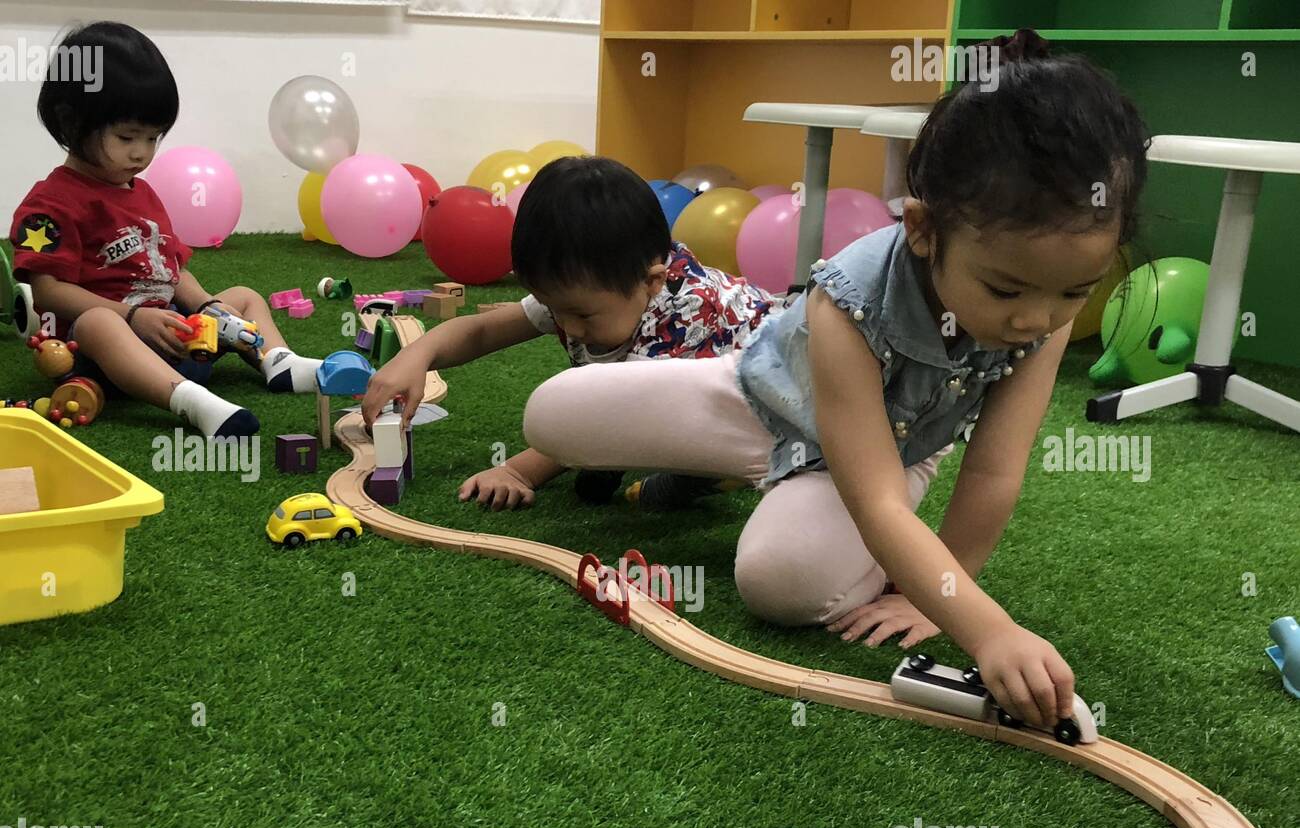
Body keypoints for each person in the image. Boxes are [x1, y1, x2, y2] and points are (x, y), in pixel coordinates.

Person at [517, 33, 1151, 730]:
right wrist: (990, 631)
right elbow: (876, 503)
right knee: (549, 415)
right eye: (1004, 289)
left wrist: (945, 596)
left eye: (1073, 294)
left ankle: (787, 507)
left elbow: (989, 472)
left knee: (779, 586)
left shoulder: (1042, 313)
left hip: (889, 452)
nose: (1035, 319)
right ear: (921, 230)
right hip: (757, 398)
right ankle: (727, 476)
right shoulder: (846, 297)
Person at [361, 155, 781, 509]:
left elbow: (611, 414)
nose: (568, 327)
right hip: (662, 390)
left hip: (770, 395)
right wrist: (419, 355)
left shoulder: (685, 317)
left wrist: (515, 469)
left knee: (656, 451)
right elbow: (483, 331)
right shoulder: (588, 292)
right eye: (554, 309)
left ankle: (713, 473)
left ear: (652, 282)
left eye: (582, 315)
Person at [10, 21, 321, 438]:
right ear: (70, 122)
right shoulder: (50, 204)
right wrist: (134, 318)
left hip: (175, 336)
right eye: (127, 137)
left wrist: (208, 307)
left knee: (243, 296)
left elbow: (173, 272)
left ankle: (277, 362)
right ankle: (190, 401)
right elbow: (48, 292)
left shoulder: (145, 195)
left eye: (154, 138)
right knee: (96, 323)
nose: (142, 153)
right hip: (105, 357)